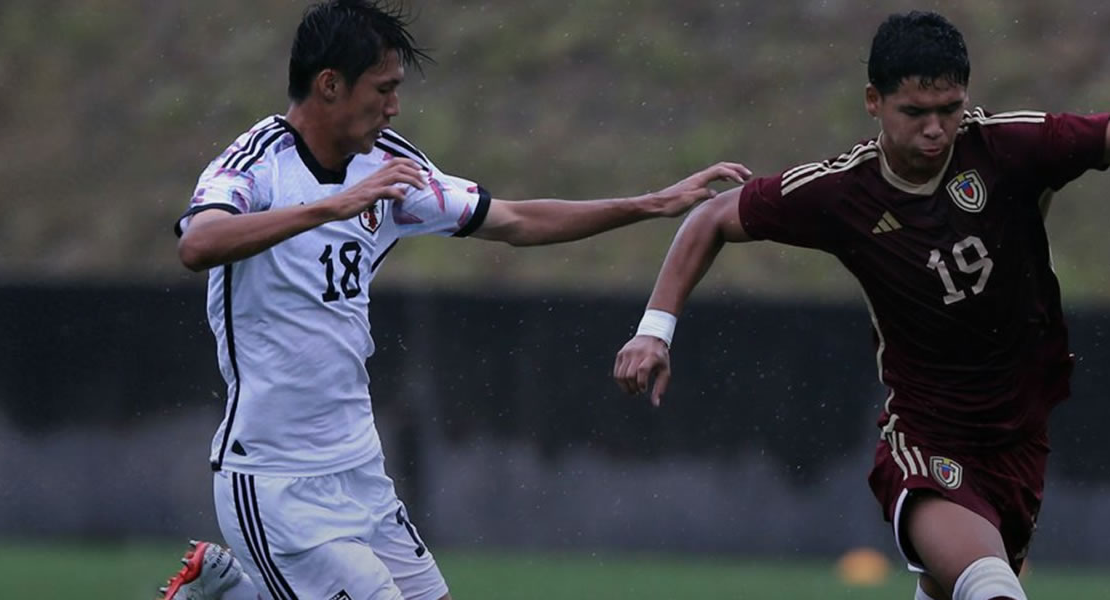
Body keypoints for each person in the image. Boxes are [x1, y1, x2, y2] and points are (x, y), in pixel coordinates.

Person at [613, 10, 1110, 600]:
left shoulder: (1008, 148)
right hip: (927, 437)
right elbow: (713, 216)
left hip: (1019, 435)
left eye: (949, 109)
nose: (935, 128)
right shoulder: (843, 192)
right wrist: (654, 332)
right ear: (873, 102)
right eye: (915, 112)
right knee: (992, 587)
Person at [159, 1, 750, 599]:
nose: (393, 107)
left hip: (358, 468)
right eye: (383, 89)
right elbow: (198, 243)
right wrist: (333, 206)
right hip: (273, 478)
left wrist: (649, 204)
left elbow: (515, 220)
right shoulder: (259, 161)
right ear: (329, 84)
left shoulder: (390, 166)